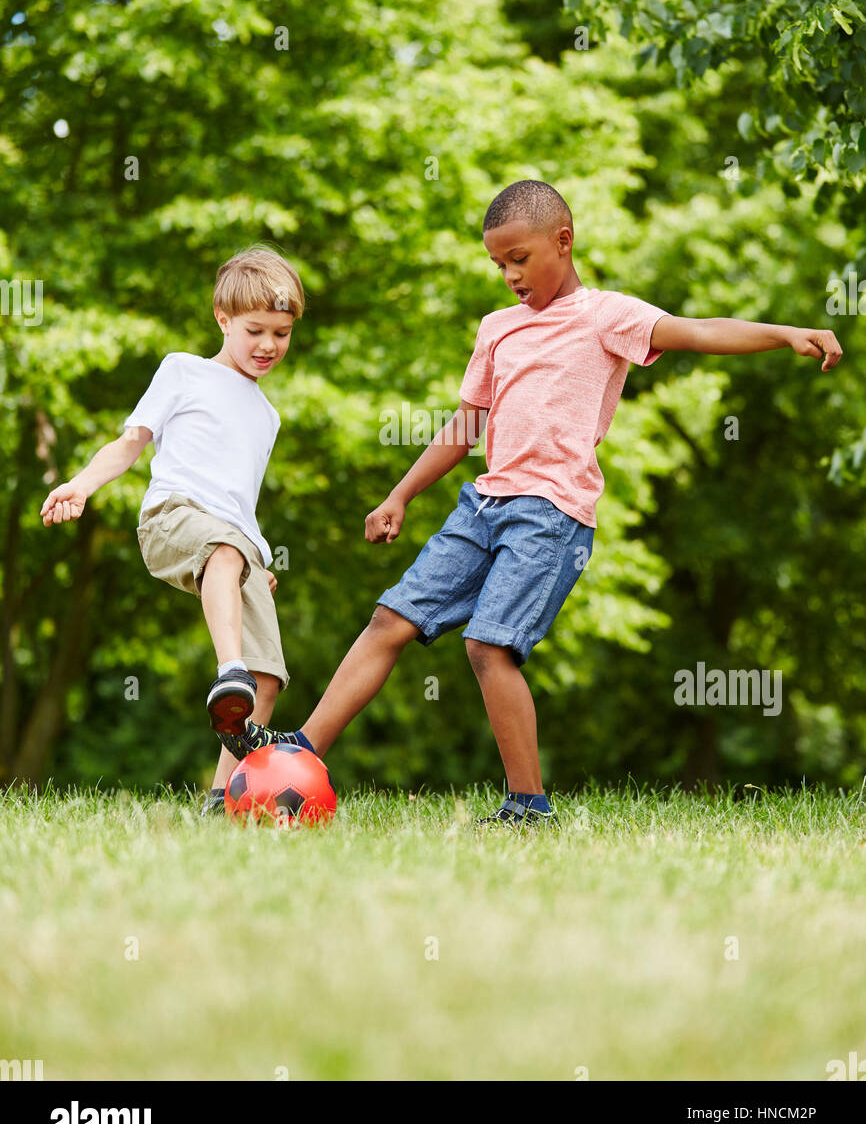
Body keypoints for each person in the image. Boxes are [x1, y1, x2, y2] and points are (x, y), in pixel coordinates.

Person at [274, 179, 843, 829]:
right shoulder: (496, 329)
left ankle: (528, 804)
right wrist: (399, 495)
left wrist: (783, 333)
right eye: (499, 264)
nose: (510, 275)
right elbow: (465, 427)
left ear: (562, 241)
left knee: (488, 646)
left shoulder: (607, 315)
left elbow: (698, 330)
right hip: (482, 506)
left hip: (551, 513)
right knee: (390, 619)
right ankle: (301, 749)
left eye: (519, 258)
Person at [40, 246, 312, 814]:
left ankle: (222, 794)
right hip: (171, 519)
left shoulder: (268, 416)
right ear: (223, 318)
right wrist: (82, 485)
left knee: (269, 672)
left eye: (281, 334)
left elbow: (241, 499)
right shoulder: (183, 370)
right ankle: (226, 671)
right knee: (226, 556)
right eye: (255, 330)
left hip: (234, 544)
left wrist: (257, 558)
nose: (268, 345)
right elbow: (130, 443)